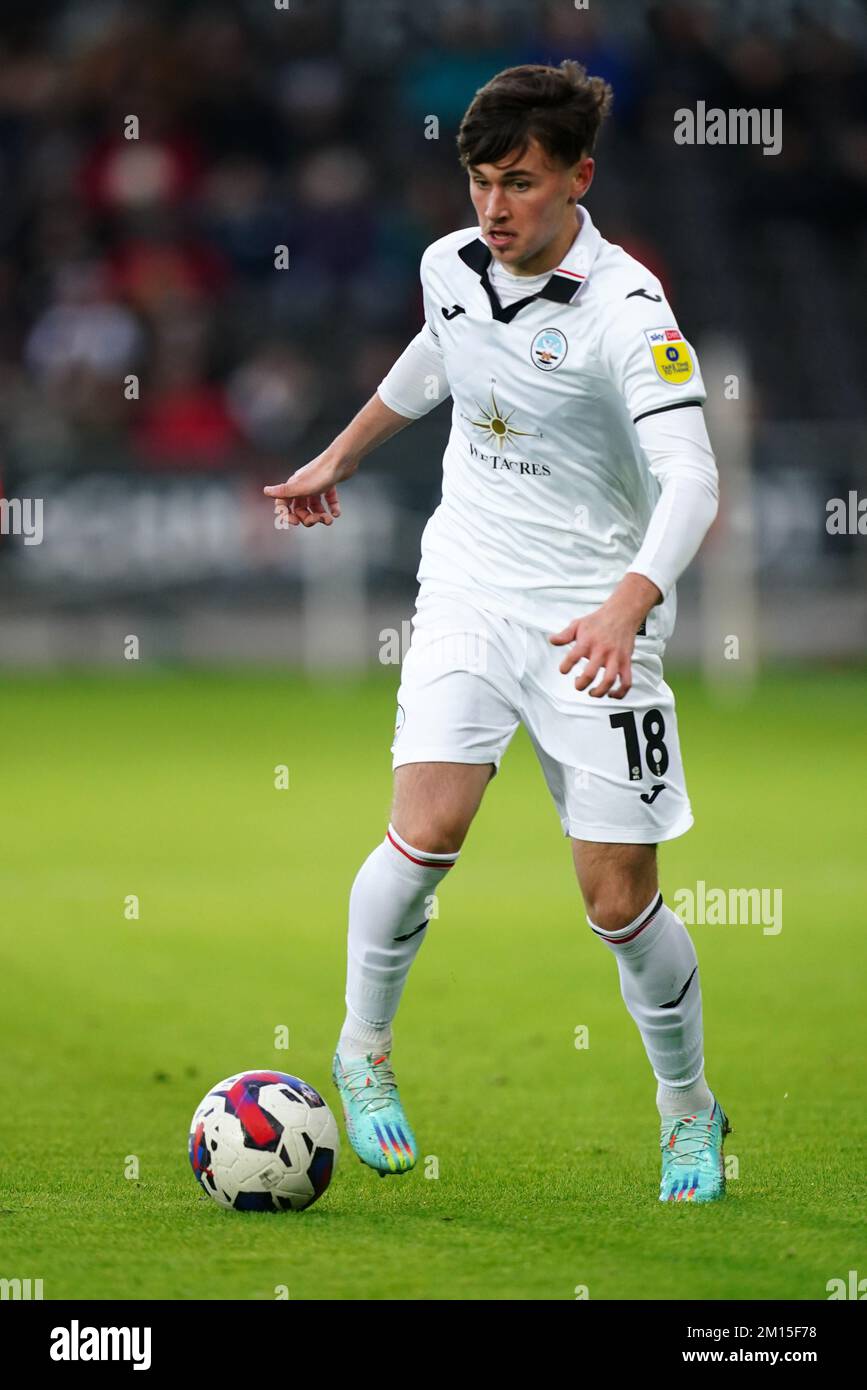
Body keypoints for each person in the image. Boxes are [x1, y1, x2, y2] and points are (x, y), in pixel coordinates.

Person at [264, 61, 729, 1203]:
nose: (494, 208)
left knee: (617, 902)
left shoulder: (630, 310)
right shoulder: (450, 266)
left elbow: (693, 479)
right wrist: (343, 450)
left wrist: (632, 599)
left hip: (594, 620)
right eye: (479, 182)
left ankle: (689, 1110)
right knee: (426, 829)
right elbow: (439, 354)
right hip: (470, 584)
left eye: (519, 183)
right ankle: (361, 1054)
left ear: (579, 177)